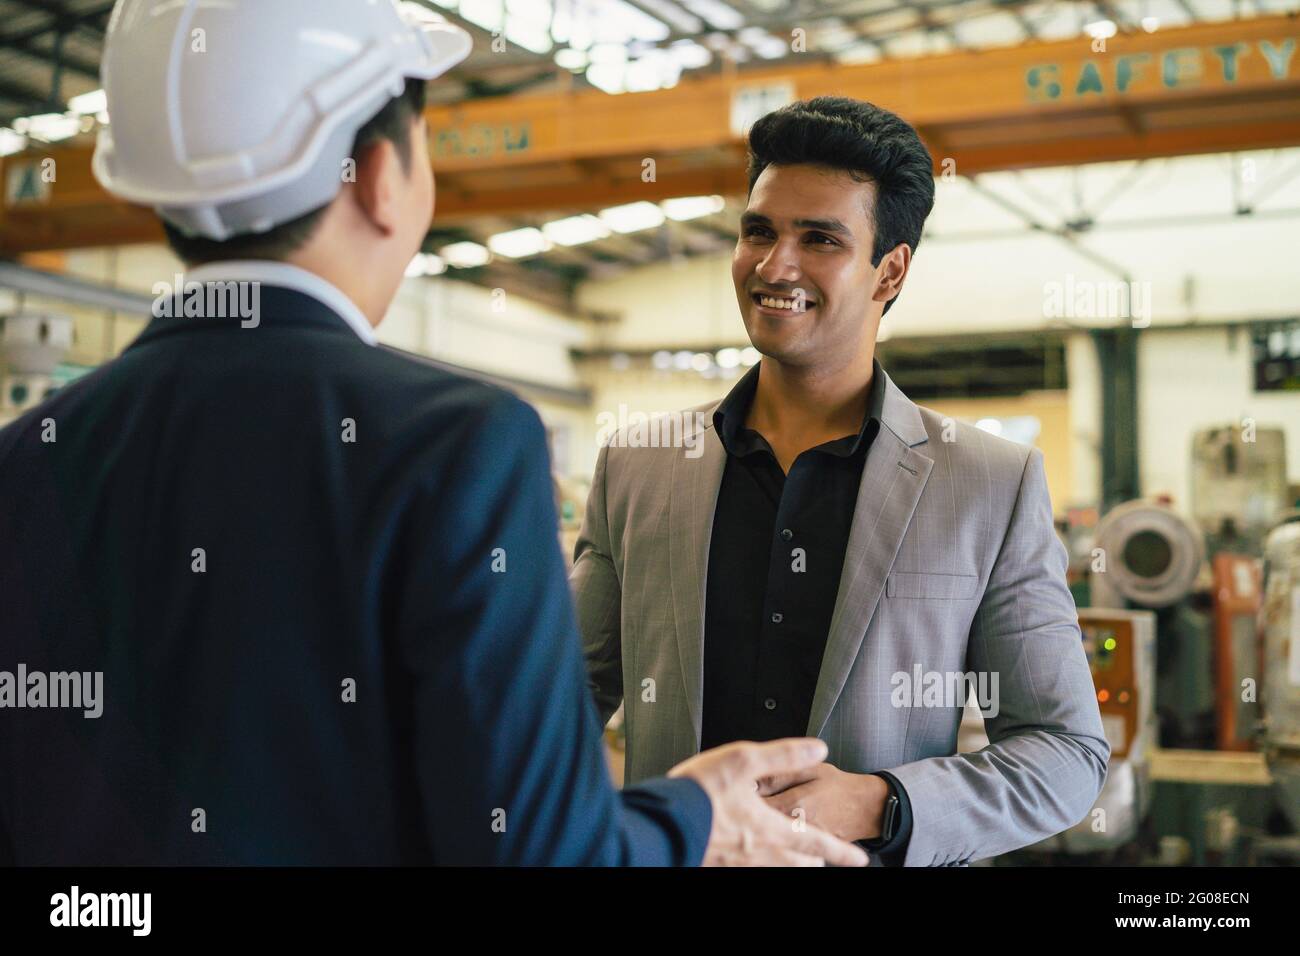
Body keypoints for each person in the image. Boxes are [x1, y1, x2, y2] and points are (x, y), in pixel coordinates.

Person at [0, 0, 866, 868]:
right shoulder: (457, 446)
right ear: (380, 175)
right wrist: (691, 819)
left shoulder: (26, 456)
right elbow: (532, 849)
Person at [574, 96, 1110, 866]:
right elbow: (558, 705)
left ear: (889, 270)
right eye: (758, 230)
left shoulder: (990, 484)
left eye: (818, 239)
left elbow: (1063, 752)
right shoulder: (639, 465)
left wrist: (876, 802)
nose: (773, 265)